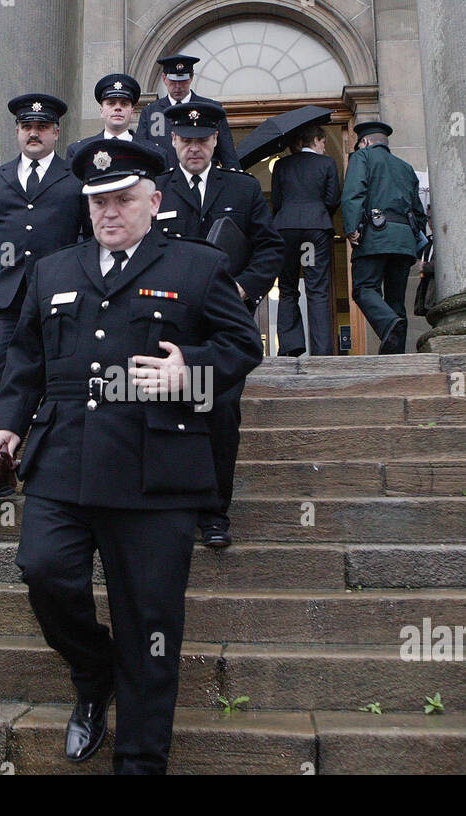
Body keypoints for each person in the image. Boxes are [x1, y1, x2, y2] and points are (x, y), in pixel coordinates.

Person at [0, 139, 262, 774]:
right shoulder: (53, 269)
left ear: (153, 201)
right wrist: (5, 425)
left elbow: (243, 347)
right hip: (63, 459)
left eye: (122, 199)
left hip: (156, 469)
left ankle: (140, 761)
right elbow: (25, 359)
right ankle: (93, 671)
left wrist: (188, 372)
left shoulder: (196, 266)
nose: (109, 212)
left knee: (150, 624)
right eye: (98, 201)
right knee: (43, 570)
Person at [153, 100, 283, 548]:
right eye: (185, 140)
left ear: (214, 142)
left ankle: (213, 515)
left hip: (224, 326)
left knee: (221, 417)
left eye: (202, 140)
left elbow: (270, 247)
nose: (194, 148)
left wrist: (245, 290)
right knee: (170, 414)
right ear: (173, 142)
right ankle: (173, 505)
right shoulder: (157, 190)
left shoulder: (242, 190)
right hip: (169, 323)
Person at [0, 93, 89, 506]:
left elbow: (87, 239)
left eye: (41, 127)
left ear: (56, 132)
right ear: (17, 132)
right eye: (25, 127)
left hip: (56, 293)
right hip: (2, 293)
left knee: (53, 375)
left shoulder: (75, 178)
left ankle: (44, 464)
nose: (33, 133)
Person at [341, 120, 427, 355]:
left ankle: (388, 324)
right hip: (404, 241)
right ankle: (395, 357)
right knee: (396, 302)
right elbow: (419, 211)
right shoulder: (405, 167)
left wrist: (351, 227)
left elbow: (353, 194)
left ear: (365, 142)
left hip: (374, 236)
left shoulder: (362, 157)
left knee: (364, 289)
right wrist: (412, 240)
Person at [270, 125, 340, 356]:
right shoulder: (327, 163)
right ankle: (322, 350)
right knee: (317, 288)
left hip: (286, 228)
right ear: (316, 141)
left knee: (287, 288)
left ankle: (290, 346)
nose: (324, 147)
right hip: (315, 229)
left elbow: (277, 202)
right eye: (323, 142)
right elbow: (332, 199)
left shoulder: (281, 165)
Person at [135, 54, 238, 171]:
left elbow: (228, 154)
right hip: (163, 182)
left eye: (183, 81)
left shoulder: (210, 109)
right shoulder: (151, 112)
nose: (178, 86)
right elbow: (142, 153)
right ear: (164, 78)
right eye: (173, 82)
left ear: (191, 78)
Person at [65, 74, 162, 163]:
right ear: (101, 111)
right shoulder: (80, 151)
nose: (118, 108)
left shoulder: (152, 152)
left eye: (124, 104)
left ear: (132, 112)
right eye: (111, 103)